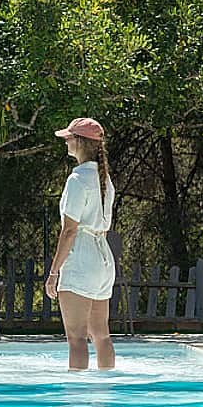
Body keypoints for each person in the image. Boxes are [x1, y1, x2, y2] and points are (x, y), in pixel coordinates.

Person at [44, 117, 116, 370]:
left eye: (68, 138)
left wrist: (54, 273)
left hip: (82, 258)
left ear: (79, 142)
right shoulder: (104, 179)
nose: (65, 142)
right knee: (101, 334)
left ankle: (77, 398)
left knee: (76, 337)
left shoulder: (77, 180)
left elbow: (70, 231)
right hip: (103, 259)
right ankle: (106, 389)